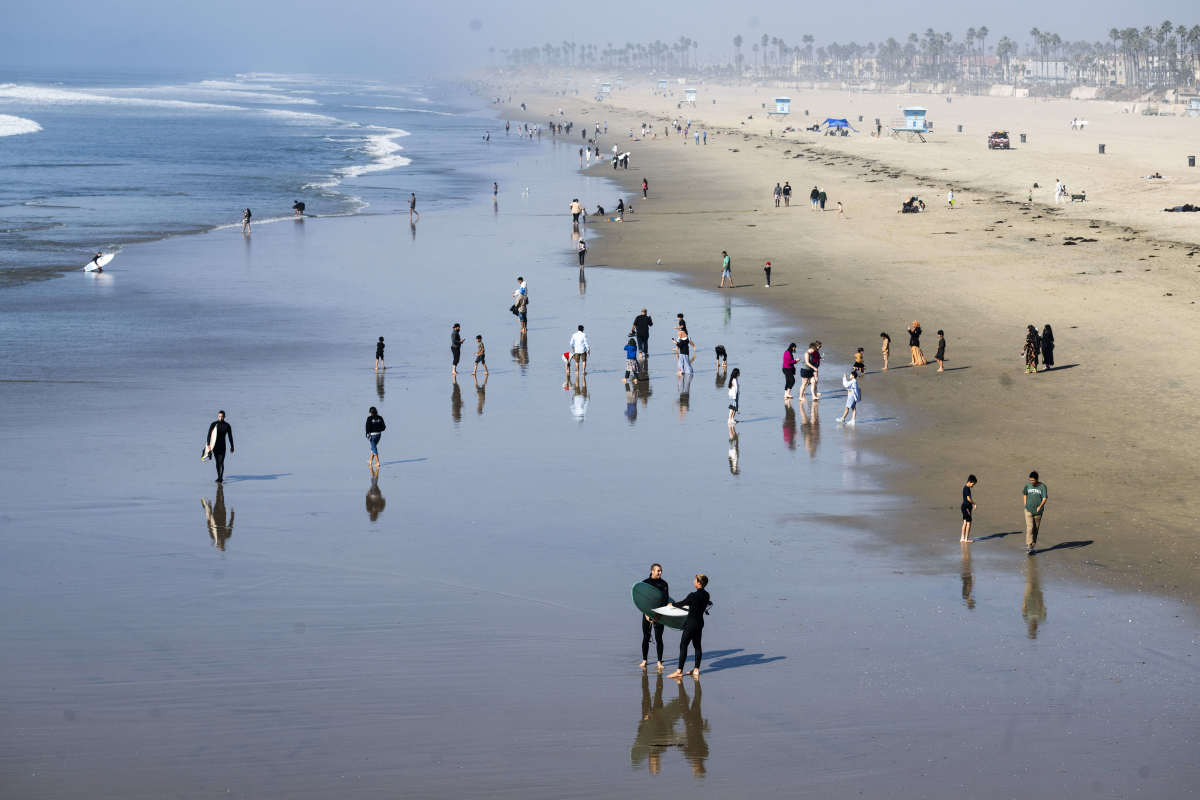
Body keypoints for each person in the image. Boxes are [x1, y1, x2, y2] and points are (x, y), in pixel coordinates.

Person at [666, 574, 711, 679]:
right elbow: (704, 603)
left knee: (683, 645)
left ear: (699, 583)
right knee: (697, 646)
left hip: (691, 623)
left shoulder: (692, 595)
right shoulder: (707, 595)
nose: (693, 581)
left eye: (695, 579)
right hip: (700, 623)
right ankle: (696, 670)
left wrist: (671, 605)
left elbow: (682, 603)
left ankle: (679, 671)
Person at [638, 564, 669, 671]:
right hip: (646, 613)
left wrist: (658, 615)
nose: (660, 573)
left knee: (659, 638)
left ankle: (659, 662)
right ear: (652, 571)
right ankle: (644, 660)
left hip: (660, 615)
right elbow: (641, 600)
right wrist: (646, 613)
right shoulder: (645, 583)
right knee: (646, 637)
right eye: (658, 571)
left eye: (661, 571)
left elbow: (665, 600)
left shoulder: (664, 584)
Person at [203, 411, 234, 483]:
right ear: (218, 416)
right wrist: (208, 445)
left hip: (223, 446)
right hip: (215, 446)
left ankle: (221, 478)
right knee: (217, 462)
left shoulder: (227, 426)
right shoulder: (214, 424)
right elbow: (209, 435)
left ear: (224, 416)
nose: (220, 418)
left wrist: (232, 446)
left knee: (221, 462)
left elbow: (230, 437)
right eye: (219, 416)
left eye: (222, 416)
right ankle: (218, 476)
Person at [1022, 471, 1048, 554]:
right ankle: (1028, 545)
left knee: (1035, 530)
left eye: (1033, 480)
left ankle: (1032, 546)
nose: (1031, 482)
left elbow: (1044, 498)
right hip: (1028, 510)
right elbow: (1024, 493)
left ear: (1037, 479)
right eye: (1030, 480)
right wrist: (1025, 504)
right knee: (1030, 527)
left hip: (1038, 512)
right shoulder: (1028, 485)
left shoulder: (1042, 487)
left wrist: (1039, 507)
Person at [365, 406, 386, 470]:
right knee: (373, 447)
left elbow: (367, 427)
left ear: (370, 412)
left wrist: (367, 434)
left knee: (374, 448)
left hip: (372, 435)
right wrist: (378, 429)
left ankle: (377, 462)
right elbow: (384, 427)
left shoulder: (369, 418)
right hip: (379, 435)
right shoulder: (380, 417)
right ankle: (370, 460)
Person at [961, 475, 978, 542]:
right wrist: (974, 503)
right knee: (969, 523)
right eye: (973, 484)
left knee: (965, 522)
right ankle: (966, 539)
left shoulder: (965, 487)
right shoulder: (967, 488)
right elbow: (968, 499)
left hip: (963, 507)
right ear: (970, 482)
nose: (973, 486)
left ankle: (962, 538)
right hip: (966, 507)